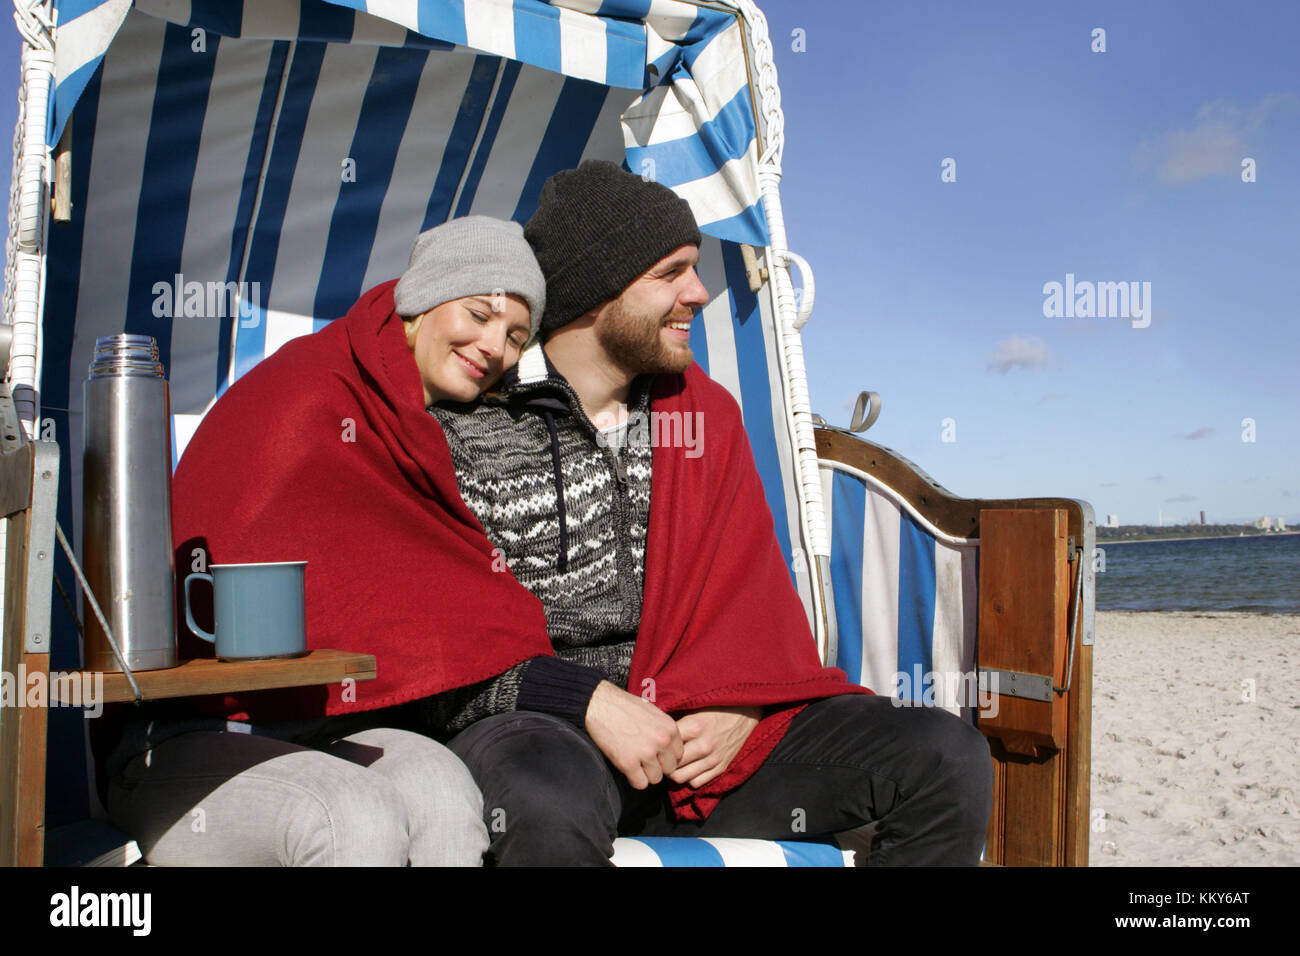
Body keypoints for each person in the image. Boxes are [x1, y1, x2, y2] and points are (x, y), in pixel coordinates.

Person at [424, 162, 994, 865]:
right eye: (671, 273)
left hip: (698, 736)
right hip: (547, 726)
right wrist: (588, 702)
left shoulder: (703, 418)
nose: (698, 292)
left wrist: (743, 701)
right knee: (541, 803)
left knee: (945, 755)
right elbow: (433, 650)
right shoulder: (465, 429)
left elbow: (752, 605)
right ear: (598, 291)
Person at [101, 216, 549, 866]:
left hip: (328, 725)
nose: (493, 346)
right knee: (351, 816)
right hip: (187, 731)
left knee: (445, 796)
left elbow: (427, 593)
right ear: (422, 300)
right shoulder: (318, 388)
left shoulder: (434, 426)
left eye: (515, 337)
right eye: (479, 314)